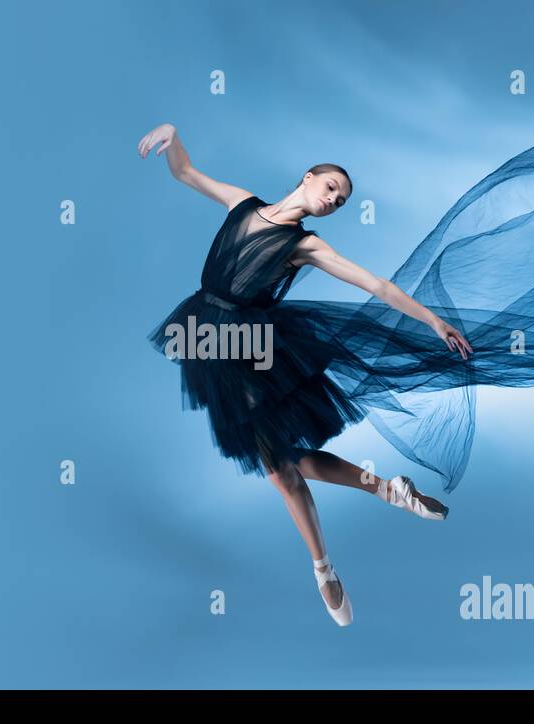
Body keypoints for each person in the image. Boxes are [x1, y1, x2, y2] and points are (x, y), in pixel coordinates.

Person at [138, 123, 472, 626]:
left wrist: (435, 321)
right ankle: (383, 493)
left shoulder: (306, 246)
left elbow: (376, 284)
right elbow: (185, 172)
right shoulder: (242, 204)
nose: (334, 200)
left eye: (341, 200)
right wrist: (172, 133)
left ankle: (326, 565)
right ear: (308, 177)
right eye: (331, 187)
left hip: (248, 346)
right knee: (284, 461)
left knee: (277, 467)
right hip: (206, 334)